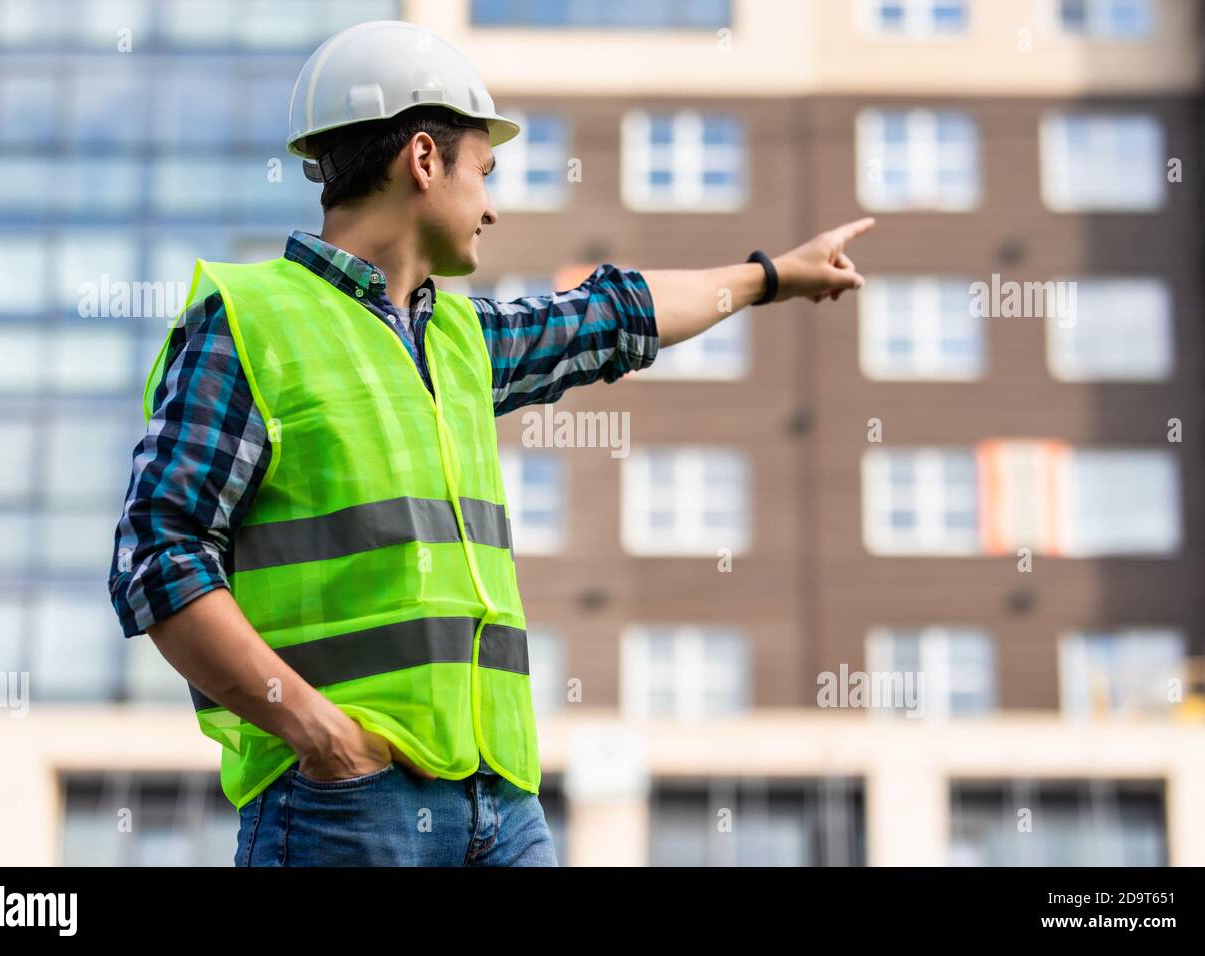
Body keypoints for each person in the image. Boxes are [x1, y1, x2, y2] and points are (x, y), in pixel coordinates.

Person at [107, 19, 874, 867]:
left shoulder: (461, 340)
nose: (494, 205)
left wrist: (774, 277)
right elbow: (159, 554)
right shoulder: (252, 319)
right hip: (344, 806)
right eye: (485, 172)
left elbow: (616, 313)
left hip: (502, 804)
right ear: (424, 160)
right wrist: (319, 733)